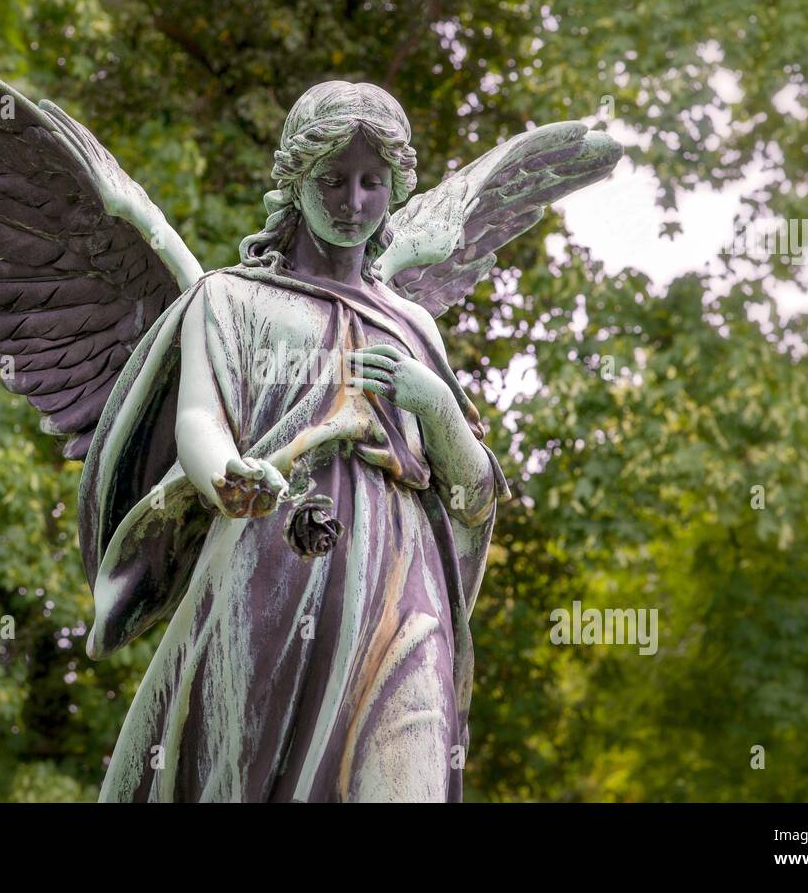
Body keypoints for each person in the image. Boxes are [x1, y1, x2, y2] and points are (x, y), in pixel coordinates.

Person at [81, 81, 508, 802]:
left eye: (373, 182)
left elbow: (472, 491)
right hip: (267, 569)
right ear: (296, 181)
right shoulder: (231, 300)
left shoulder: (412, 326)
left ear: (396, 189)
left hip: (404, 591)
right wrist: (226, 475)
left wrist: (434, 406)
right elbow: (199, 419)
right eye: (333, 180)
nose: (354, 200)